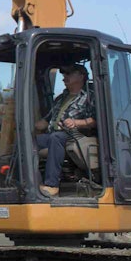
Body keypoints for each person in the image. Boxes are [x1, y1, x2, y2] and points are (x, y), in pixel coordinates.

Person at [34, 64, 97, 197]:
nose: (64, 77)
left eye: (69, 74)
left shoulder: (90, 97)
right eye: (63, 75)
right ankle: (30, 181)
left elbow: (96, 120)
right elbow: (46, 121)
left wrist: (76, 122)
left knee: (55, 138)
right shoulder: (61, 97)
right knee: (27, 142)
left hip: (76, 135)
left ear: (81, 76)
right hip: (54, 133)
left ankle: (52, 185)